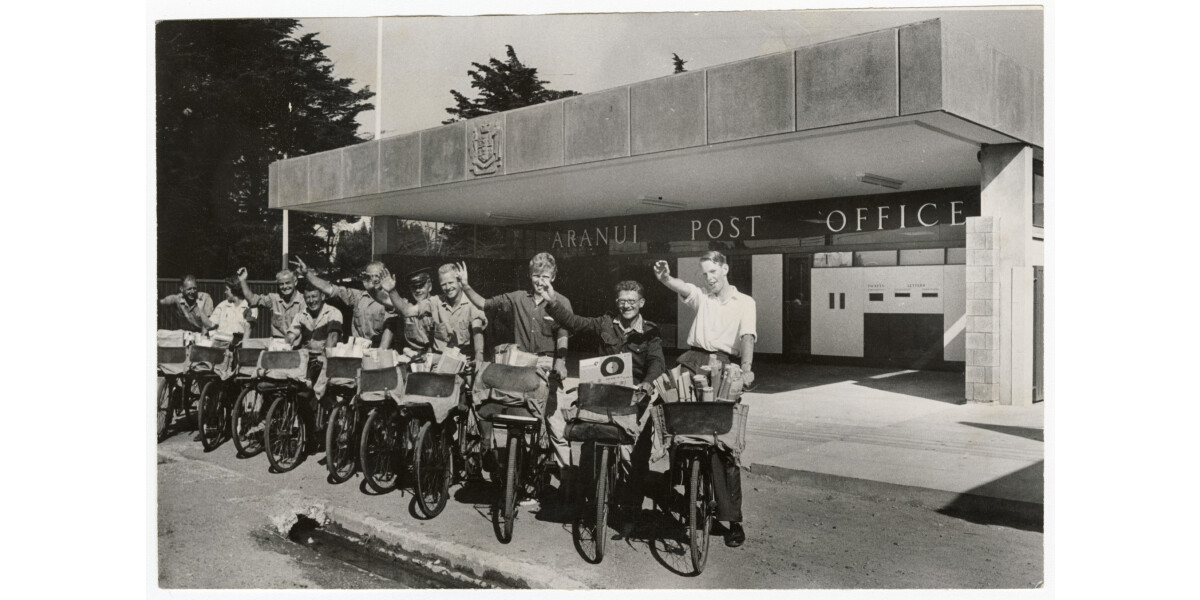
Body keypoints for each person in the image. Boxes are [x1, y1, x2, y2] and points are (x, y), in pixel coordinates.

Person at [537, 279, 666, 525]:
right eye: (622, 301)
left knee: (638, 452)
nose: (626, 305)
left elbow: (657, 362)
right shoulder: (605, 322)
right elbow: (574, 322)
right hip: (603, 393)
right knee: (589, 439)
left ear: (641, 303)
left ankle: (631, 507)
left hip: (634, 395)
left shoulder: (650, 330)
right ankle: (587, 501)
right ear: (617, 302)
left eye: (631, 301)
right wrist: (552, 301)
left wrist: (648, 383)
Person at [653, 250, 755, 548]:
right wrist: (665, 278)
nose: (708, 279)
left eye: (712, 272)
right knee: (673, 417)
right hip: (691, 361)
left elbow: (747, 337)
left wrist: (746, 371)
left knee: (723, 441)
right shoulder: (703, 297)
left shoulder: (745, 302)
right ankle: (681, 480)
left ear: (725, 269)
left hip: (724, 365)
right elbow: (685, 288)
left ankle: (733, 520)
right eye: (704, 274)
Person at [456, 253, 575, 498]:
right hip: (520, 363)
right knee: (514, 417)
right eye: (535, 276)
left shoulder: (562, 301)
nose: (539, 281)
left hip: (548, 362)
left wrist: (561, 362)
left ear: (553, 277)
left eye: (544, 276)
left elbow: (563, 333)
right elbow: (484, 304)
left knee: (555, 426)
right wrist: (466, 286)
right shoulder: (518, 298)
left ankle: (567, 482)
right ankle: (515, 474)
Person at [380, 264, 487, 368]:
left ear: (459, 282)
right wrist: (392, 291)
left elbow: (477, 333)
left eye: (451, 282)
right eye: (443, 284)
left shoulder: (471, 304)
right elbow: (407, 311)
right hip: (438, 361)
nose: (448, 287)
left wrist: (479, 357)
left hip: (463, 362)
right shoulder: (435, 302)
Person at [286, 284, 343, 447]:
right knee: (299, 394)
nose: (311, 301)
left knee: (321, 394)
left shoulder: (333, 313)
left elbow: (333, 337)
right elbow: (292, 333)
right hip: (306, 358)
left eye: (314, 297)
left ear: (322, 296)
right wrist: (286, 342)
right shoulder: (301, 314)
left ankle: (331, 428)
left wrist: (326, 356)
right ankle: (309, 432)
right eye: (308, 298)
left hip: (327, 358)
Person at [292, 257, 390, 348]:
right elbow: (329, 289)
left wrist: (378, 356)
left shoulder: (391, 301)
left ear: (384, 276)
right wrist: (307, 274)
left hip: (379, 352)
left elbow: (389, 331)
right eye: (369, 276)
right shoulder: (359, 297)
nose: (373, 279)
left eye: (376, 276)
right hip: (358, 351)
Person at [237, 267, 304, 341]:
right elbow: (252, 299)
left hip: (297, 345)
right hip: (277, 343)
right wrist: (242, 280)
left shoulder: (303, 301)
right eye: (281, 284)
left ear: (295, 282)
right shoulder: (273, 298)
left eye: (288, 283)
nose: (285, 287)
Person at [380, 269, 436, 355]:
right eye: (414, 287)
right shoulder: (408, 305)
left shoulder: (437, 303)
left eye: (421, 286)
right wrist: (371, 289)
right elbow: (384, 299)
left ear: (430, 286)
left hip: (435, 357)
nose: (417, 290)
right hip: (413, 356)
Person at [207, 275, 256, 344]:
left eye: (227, 289)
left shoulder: (249, 308)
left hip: (235, 345)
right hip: (218, 344)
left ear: (234, 290)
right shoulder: (222, 305)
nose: (225, 292)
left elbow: (247, 333)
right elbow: (210, 324)